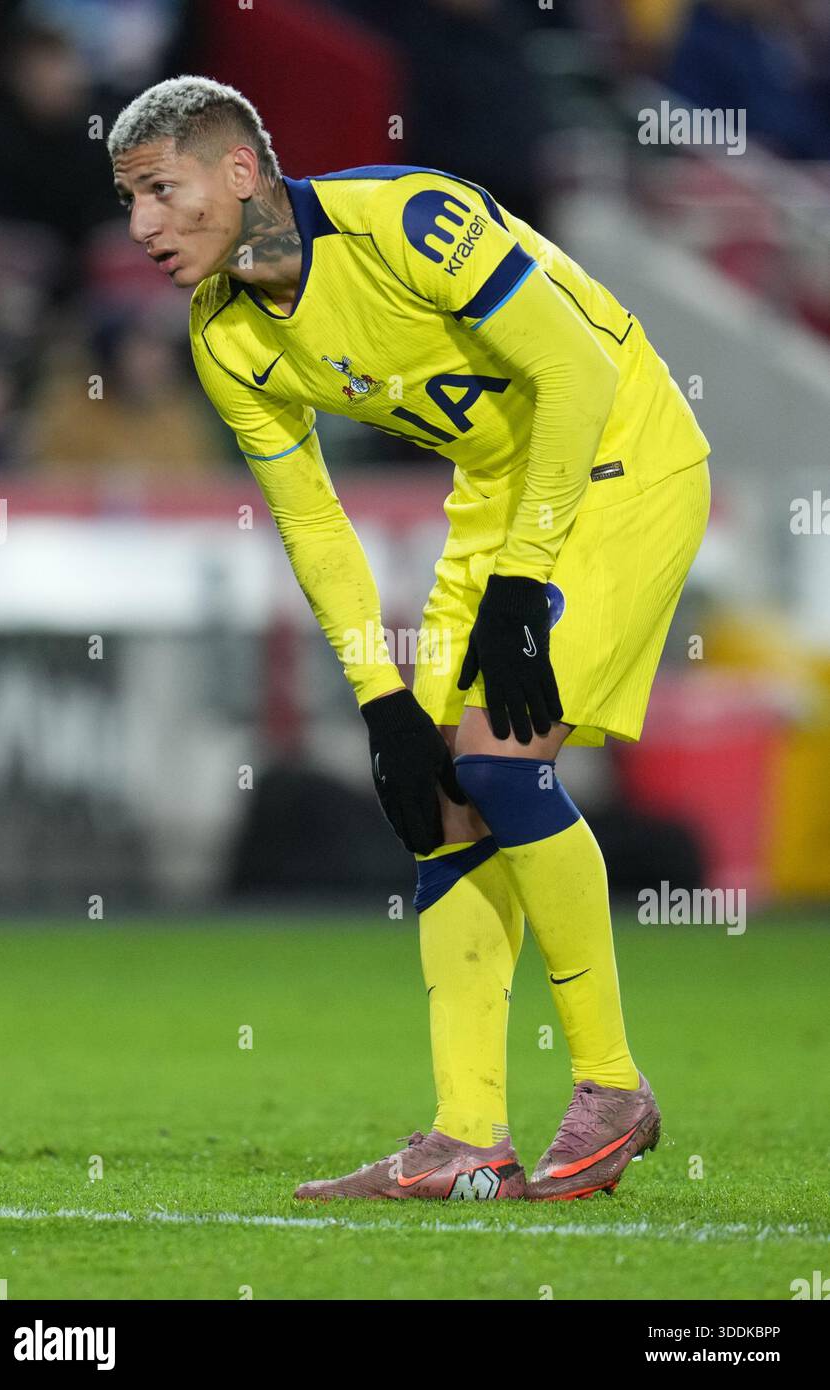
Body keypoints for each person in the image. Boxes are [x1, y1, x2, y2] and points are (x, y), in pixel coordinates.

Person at [108, 77, 711, 1202]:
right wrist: (378, 700)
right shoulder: (226, 339)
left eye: (158, 190)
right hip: (498, 492)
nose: (141, 226)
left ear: (239, 172)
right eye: (128, 200)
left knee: (496, 758)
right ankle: (464, 1135)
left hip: (624, 461)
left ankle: (611, 1085)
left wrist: (525, 581)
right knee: (441, 799)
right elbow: (315, 523)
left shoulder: (405, 220)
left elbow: (576, 372)